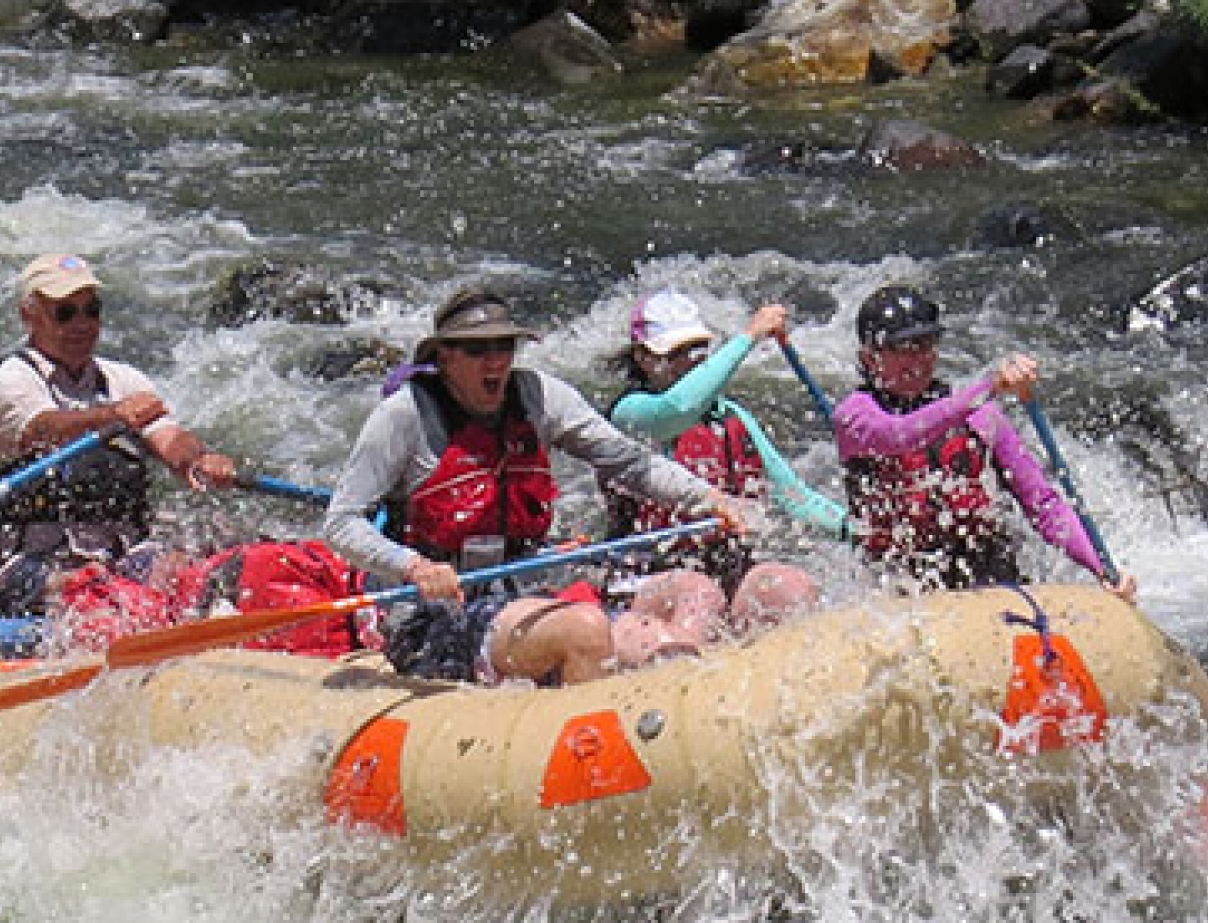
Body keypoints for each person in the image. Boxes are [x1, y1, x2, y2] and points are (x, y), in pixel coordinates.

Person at [323, 287, 750, 686]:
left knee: (692, 601)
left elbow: (630, 462)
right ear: (445, 357)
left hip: (519, 593)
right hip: (430, 615)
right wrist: (413, 567)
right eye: (477, 350)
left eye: (503, 347)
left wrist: (708, 498)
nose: (494, 362)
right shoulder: (404, 417)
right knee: (584, 630)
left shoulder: (539, 397)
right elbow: (341, 523)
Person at [0, 253, 240, 620]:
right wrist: (111, 416)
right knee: (91, 591)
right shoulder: (9, 383)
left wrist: (198, 460)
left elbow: (170, 439)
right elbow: (45, 429)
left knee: (195, 567)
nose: (81, 324)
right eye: (65, 313)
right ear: (30, 316)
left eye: (91, 310)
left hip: (117, 556)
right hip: (24, 565)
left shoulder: (123, 380)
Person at [832, 283, 1131, 596]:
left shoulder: (981, 417)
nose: (917, 360)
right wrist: (991, 388)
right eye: (903, 349)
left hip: (988, 573)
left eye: (925, 345)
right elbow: (900, 436)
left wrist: (1100, 567)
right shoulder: (854, 417)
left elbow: (1043, 504)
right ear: (870, 359)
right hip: (902, 582)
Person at [600, 290, 845, 659]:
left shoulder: (731, 416)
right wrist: (750, 336)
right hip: (647, 578)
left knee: (789, 586)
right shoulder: (630, 414)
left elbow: (795, 497)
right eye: (677, 352)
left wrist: (857, 529)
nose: (691, 360)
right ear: (643, 359)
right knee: (699, 594)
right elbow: (677, 408)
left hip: (724, 571)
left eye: (697, 349)